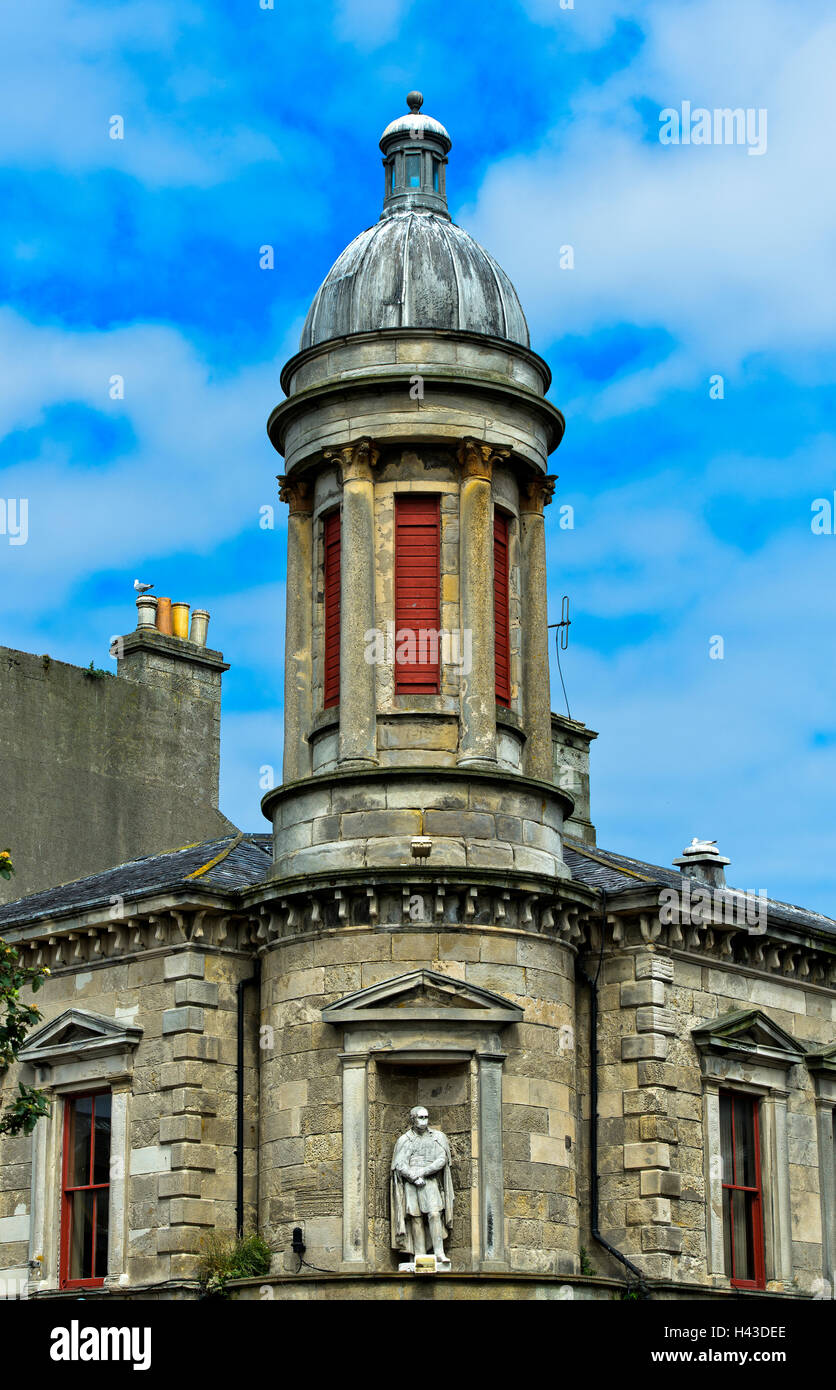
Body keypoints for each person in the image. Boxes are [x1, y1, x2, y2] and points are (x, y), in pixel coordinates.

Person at [390, 1105, 454, 1262]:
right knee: (416, 1217)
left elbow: (442, 1159)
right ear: (413, 1119)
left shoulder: (437, 1137)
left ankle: (439, 1252)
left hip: (430, 1180)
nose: (424, 1121)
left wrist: (423, 1172)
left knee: (434, 1214)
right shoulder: (405, 1140)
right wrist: (413, 1176)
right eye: (420, 1117)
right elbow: (399, 1164)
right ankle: (420, 1255)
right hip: (411, 1183)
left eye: (426, 1117)